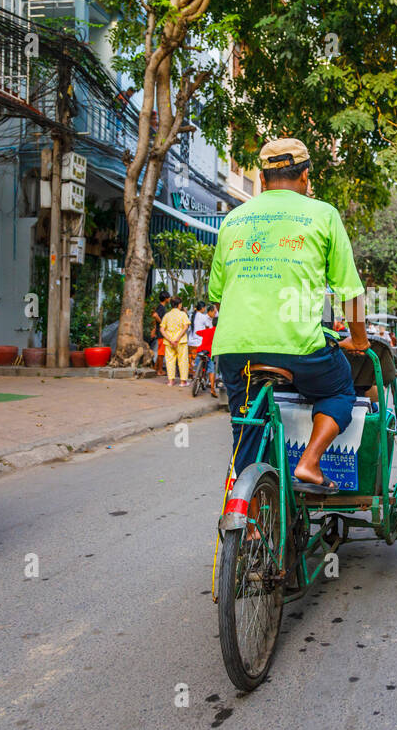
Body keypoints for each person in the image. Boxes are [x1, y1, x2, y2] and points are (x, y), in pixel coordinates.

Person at [208, 137, 369, 494]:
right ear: (306, 176)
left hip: (237, 351)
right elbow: (351, 293)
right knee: (341, 390)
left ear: (262, 179)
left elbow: (218, 296)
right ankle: (309, 461)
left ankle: (248, 521)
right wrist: (358, 339)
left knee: (248, 424)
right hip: (300, 350)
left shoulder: (233, 218)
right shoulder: (323, 214)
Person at [161, 297, 191, 387]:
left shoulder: (167, 315)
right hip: (181, 341)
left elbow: (162, 329)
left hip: (169, 342)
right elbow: (185, 327)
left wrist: (170, 339)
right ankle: (183, 382)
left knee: (170, 361)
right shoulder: (182, 314)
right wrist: (177, 338)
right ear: (179, 305)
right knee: (183, 361)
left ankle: (171, 381)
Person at [151, 292, 170, 376]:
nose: (169, 299)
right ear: (166, 298)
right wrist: (162, 323)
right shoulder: (161, 307)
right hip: (161, 332)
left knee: (161, 351)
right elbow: (155, 315)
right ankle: (159, 370)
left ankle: (156, 368)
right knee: (161, 352)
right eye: (168, 297)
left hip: (160, 331)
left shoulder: (161, 307)